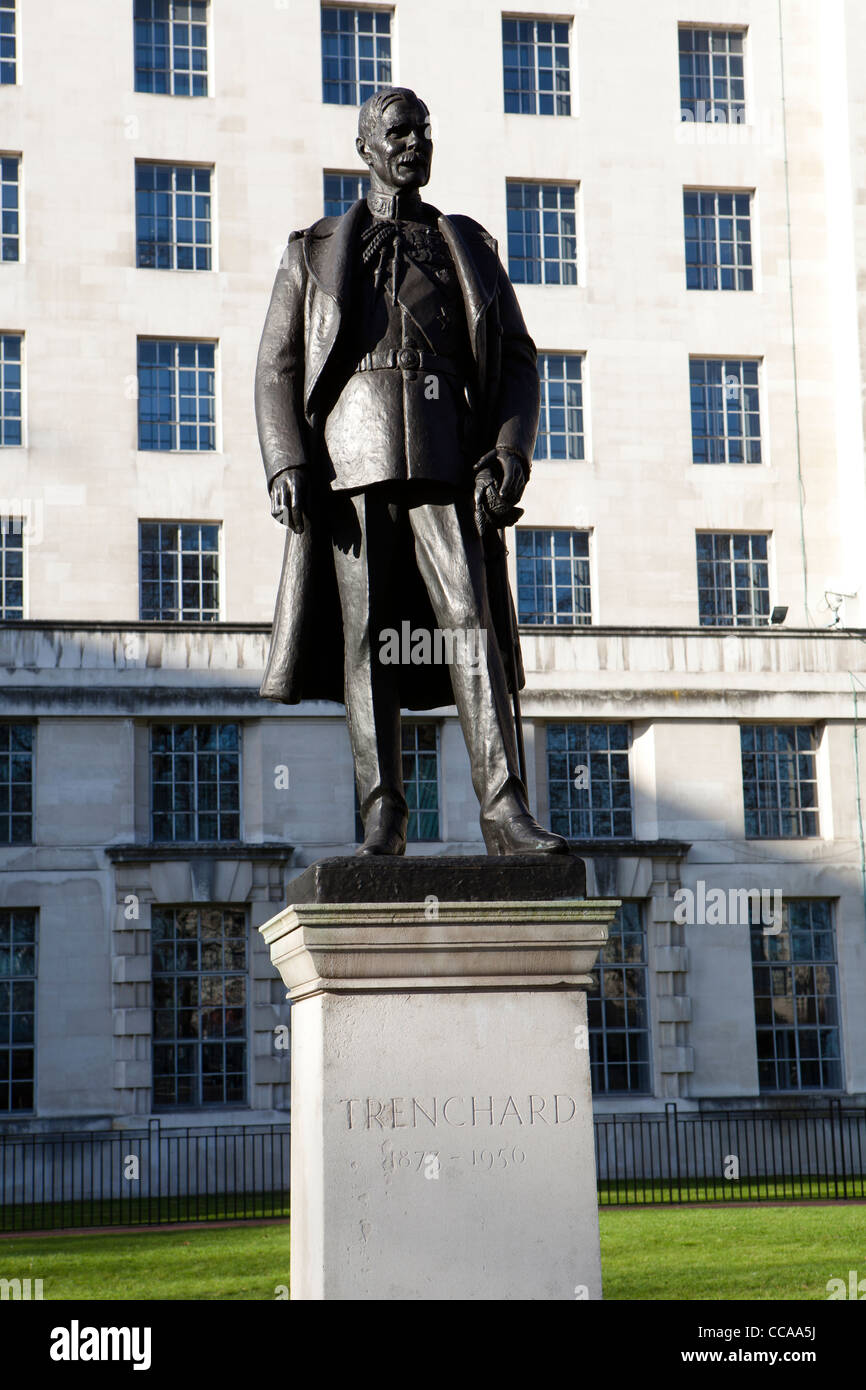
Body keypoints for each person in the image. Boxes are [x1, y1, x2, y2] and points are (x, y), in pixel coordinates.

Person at [255, 86, 567, 858]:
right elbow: (275, 369)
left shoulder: (467, 245)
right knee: (368, 641)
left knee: (471, 627)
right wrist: (287, 460)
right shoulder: (313, 248)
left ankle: (503, 809)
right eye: (397, 133)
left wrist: (507, 451)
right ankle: (381, 816)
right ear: (364, 147)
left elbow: (520, 363)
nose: (413, 145)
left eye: (423, 132)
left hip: (444, 459)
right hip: (351, 466)